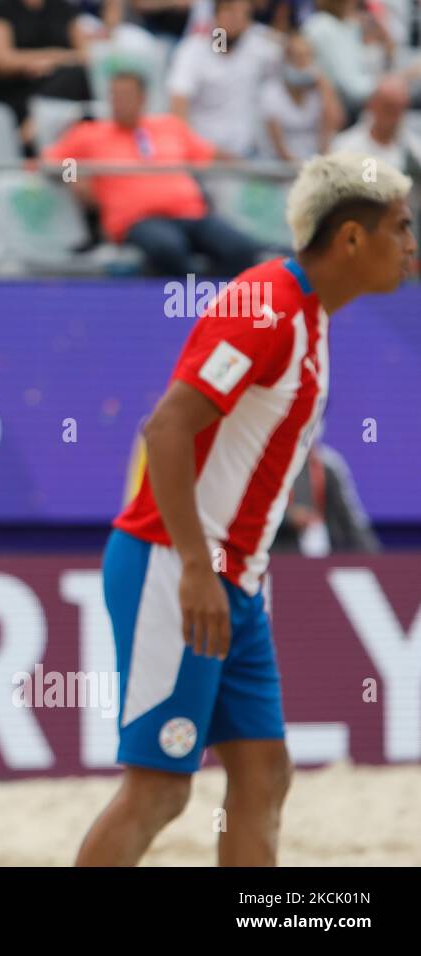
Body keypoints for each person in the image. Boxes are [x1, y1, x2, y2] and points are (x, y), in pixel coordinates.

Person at [78, 151, 414, 866]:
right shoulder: (267, 305)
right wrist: (199, 568)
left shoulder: (308, 313)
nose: (411, 245)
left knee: (265, 773)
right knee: (160, 791)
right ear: (352, 239)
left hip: (231, 579)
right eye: (401, 227)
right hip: (178, 568)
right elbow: (166, 428)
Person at [43, 69, 263, 275]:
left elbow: (209, 153)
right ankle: (191, 303)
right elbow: (50, 159)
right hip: (138, 221)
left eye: (126, 95)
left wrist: (250, 167)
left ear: (142, 98)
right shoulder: (90, 133)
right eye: (115, 95)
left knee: (242, 249)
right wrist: (74, 177)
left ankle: (220, 305)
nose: (119, 102)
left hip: (192, 214)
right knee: (168, 248)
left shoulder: (169, 126)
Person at [167, 0, 283, 157]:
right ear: (216, 15)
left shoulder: (260, 49)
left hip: (248, 157)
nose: (235, 18)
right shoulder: (194, 51)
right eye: (229, 11)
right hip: (205, 159)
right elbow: (178, 109)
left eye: (242, 13)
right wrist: (204, 151)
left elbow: (295, 52)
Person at [0, 0, 92, 142]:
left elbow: (85, 55)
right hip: (14, 90)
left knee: (76, 76)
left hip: (58, 88)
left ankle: (32, 127)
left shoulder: (62, 7)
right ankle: (30, 132)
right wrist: (35, 62)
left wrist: (52, 60)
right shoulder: (1, 8)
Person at [259, 32, 344, 161]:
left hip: (313, 164)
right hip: (279, 169)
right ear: (286, 60)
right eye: (298, 57)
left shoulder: (318, 91)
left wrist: (324, 85)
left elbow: (334, 124)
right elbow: (280, 149)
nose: (303, 63)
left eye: (308, 57)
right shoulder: (271, 92)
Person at [332, 74, 421, 176]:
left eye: (399, 109)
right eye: (388, 107)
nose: (393, 116)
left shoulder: (415, 151)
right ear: (372, 104)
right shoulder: (344, 148)